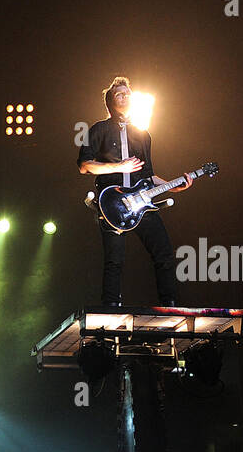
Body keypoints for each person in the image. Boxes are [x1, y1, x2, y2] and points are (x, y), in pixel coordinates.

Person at [77, 77, 191, 307]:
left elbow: (149, 176)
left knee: (164, 252)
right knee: (114, 260)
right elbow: (84, 165)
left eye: (128, 93)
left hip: (142, 202)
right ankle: (111, 308)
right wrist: (118, 167)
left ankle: (169, 304)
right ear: (110, 102)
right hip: (112, 203)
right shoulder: (98, 129)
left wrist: (174, 185)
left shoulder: (143, 134)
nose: (125, 97)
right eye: (119, 94)